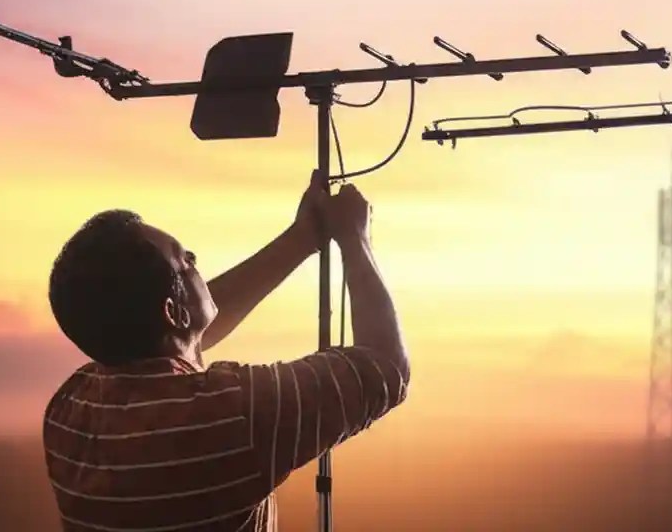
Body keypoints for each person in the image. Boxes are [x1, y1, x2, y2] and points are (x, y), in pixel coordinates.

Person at [43, 172, 410, 531]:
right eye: (184, 260)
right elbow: (386, 367)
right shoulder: (228, 417)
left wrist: (301, 239)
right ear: (172, 311)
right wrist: (355, 238)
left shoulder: (71, 407)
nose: (194, 257)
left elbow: (176, 334)